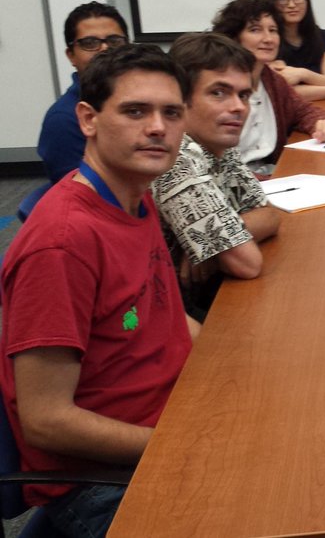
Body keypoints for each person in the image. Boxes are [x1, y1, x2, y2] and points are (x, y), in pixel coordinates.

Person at [1, 43, 196, 537]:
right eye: (135, 111)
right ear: (88, 119)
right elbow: (45, 420)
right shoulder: (63, 244)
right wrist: (177, 443)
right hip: (102, 481)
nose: (158, 127)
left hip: (166, 423)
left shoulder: (135, 195)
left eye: (172, 113)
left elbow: (164, 318)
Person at [153, 33, 282, 322]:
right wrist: (226, 242)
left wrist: (215, 243)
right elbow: (247, 263)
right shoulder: (177, 159)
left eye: (243, 95)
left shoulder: (217, 144)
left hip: (209, 296)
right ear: (181, 100)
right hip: (173, 317)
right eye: (219, 93)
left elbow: (270, 214)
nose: (238, 107)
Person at [211, 0, 325, 176]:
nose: (268, 39)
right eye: (255, 30)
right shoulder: (219, 88)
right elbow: (217, 166)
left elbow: (303, 110)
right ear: (234, 37)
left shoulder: (271, 80)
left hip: (270, 175)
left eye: (273, 30)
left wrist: (321, 124)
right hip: (237, 183)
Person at [37, 2, 131, 183]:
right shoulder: (63, 120)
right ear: (71, 55)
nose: (105, 48)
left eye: (114, 41)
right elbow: (79, 191)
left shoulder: (146, 98)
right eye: (89, 43)